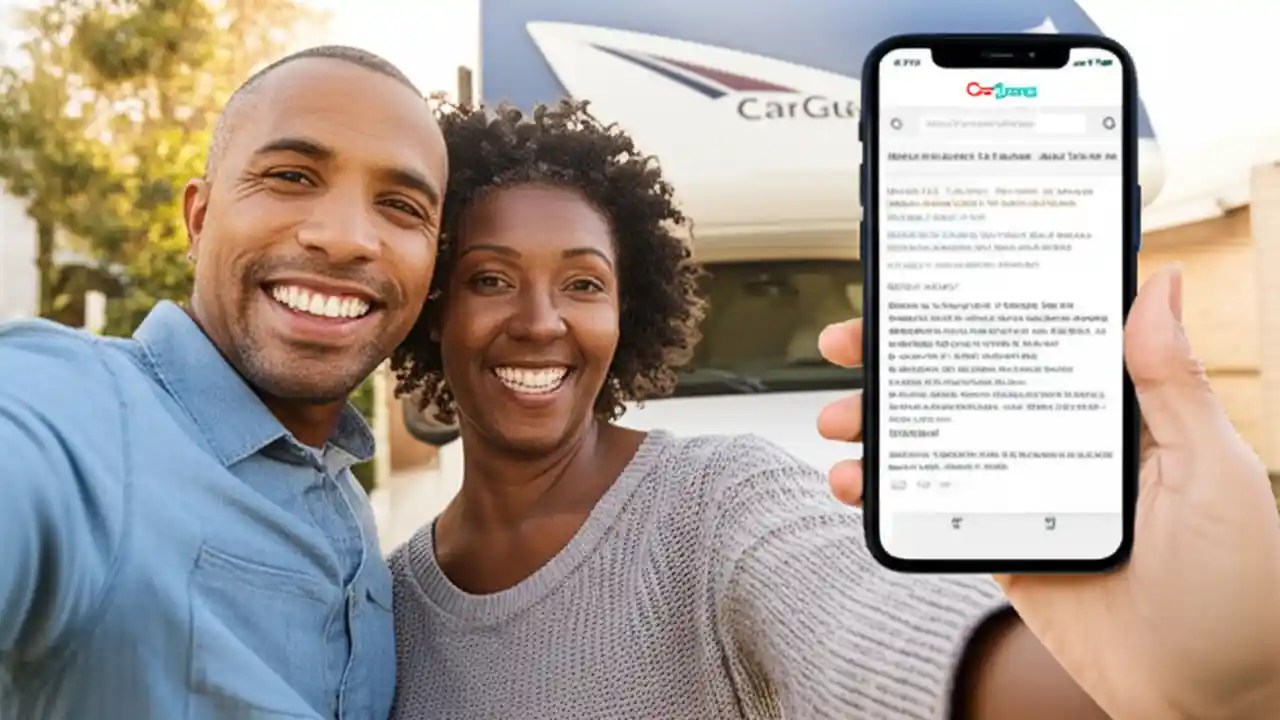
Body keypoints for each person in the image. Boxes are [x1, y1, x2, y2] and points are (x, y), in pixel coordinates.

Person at [387, 99, 1280, 720]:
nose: (542, 322)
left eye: (584, 283)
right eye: (490, 279)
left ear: (629, 313)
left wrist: (1199, 693)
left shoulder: (716, 502)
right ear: (431, 304)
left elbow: (858, 620)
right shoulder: (382, 599)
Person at [0, 46, 447, 719]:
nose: (347, 237)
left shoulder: (347, 507)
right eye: (292, 175)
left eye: (402, 206)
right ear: (199, 219)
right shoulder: (79, 414)